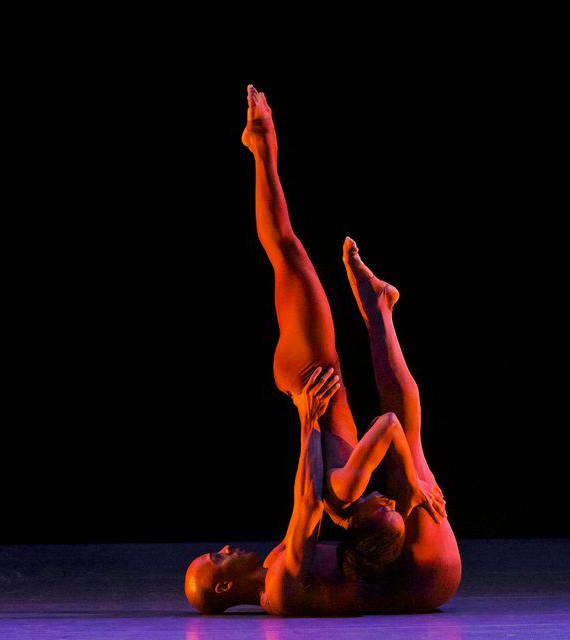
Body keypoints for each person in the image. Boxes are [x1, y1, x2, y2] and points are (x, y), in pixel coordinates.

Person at [183, 85, 461, 616]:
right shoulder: (280, 586)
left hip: (427, 572)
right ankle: (264, 147)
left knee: (402, 426)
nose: (223, 549)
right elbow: (308, 504)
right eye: (215, 560)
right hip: (425, 569)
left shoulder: (281, 573)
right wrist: (309, 420)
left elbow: (321, 506)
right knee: (288, 255)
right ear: (222, 588)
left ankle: (379, 309)